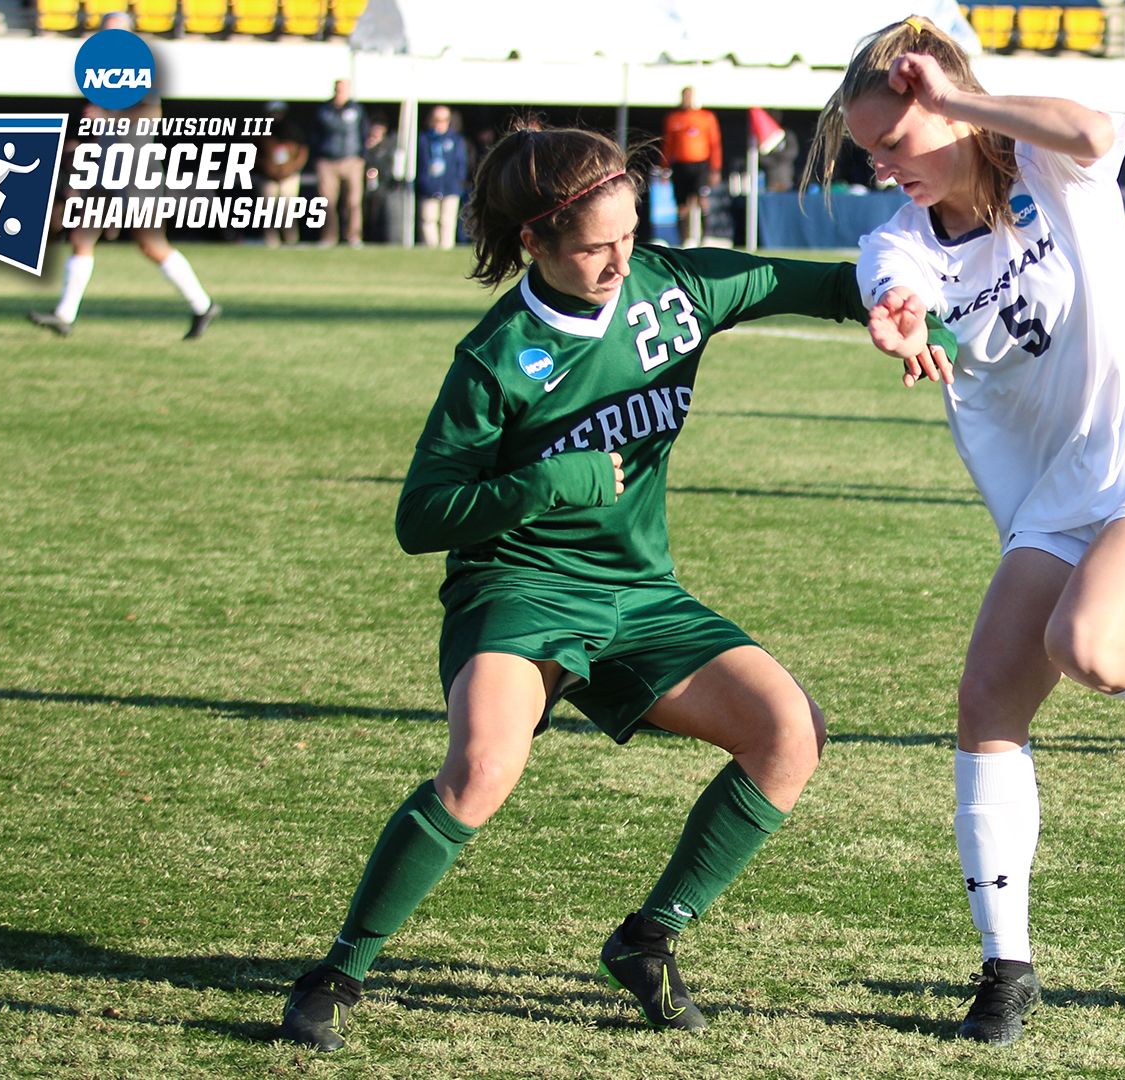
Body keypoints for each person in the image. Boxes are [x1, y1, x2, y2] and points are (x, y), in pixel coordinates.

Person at [275, 123, 949, 1051]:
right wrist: (544, 482)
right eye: (595, 245)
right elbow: (420, 517)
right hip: (519, 585)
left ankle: (648, 939)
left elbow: (830, 284)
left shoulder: (675, 289)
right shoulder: (496, 356)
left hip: (639, 590)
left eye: (630, 233)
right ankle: (340, 970)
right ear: (534, 245)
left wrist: (897, 311)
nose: (619, 259)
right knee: (480, 769)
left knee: (791, 731)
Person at [809, 16, 1125, 1047]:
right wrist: (895, 314)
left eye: (897, 140)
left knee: (1087, 645)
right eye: (870, 150)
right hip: (1061, 498)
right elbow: (893, 282)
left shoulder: (1045, 165)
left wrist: (960, 99)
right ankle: (1006, 970)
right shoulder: (900, 233)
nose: (886, 166)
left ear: (947, 111)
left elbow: (1091, 129)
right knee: (988, 695)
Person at [27, 16, 220, 341]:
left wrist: (108, 115)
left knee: (151, 245)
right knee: (81, 239)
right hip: (106, 169)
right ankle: (64, 316)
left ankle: (203, 305)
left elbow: (149, 116)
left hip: (135, 171)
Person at [663, 87, 721, 246]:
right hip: (680, 165)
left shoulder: (705, 117)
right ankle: (684, 239)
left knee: (702, 199)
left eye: (689, 96)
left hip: (700, 164)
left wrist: (715, 168)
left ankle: (705, 237)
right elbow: (668, 144)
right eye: (684, 96)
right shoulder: (673, 118)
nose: (686, 99)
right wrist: (664, 166)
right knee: (681, 205)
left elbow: (714, 144)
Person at [315, 80, 366, 247]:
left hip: (351, 160)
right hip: (328, 161)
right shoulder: (324, 110)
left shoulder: (356, 110)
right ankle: (329, 237)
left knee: (353, 201)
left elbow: (364, 133)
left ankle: (354, 236)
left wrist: (362, 157)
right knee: (327, 202)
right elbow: (315, 134)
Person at [416, 105, 470, 249]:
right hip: (429, 186)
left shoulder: (456, 140)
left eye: (444, 119)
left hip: (450, 186)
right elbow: (420, 162)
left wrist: (458, 181)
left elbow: (461, 163)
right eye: (437, 119)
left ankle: (446, 249)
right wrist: (424, 182)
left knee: (447, 220)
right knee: (428, 219)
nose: (440, 123)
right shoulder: (424, 139)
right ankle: (431, 248)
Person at [255, 104, 308, 247]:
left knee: (287, 211)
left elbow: (302, 151)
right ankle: (271, 242)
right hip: (268, 178)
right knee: (267, 211)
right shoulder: (261, 132)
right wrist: (266, 168)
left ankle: (290, 241)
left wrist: (294, 167)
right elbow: (253, 153)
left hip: (289, 177)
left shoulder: (293, 132)